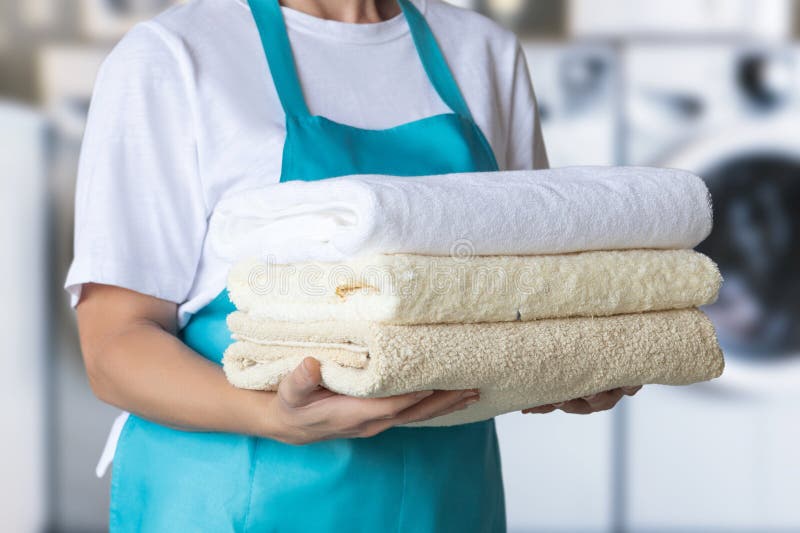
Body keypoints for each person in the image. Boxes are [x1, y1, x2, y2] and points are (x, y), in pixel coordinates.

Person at [67, 0, 640, 530]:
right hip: (238, 501)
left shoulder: (483, 51)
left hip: (445, 500)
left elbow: (521, 292)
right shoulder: (176, 55)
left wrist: (566, 365)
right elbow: (114, 346)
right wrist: (274, 417)